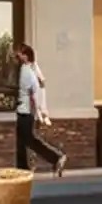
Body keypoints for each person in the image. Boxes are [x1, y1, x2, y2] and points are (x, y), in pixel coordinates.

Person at [15, 44, 66, 176]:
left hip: (26, 111)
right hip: (24, 110)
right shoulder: (29, 68)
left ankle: (56, 157)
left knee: (29, 139)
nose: (18, 55)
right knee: (22, 140)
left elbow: (35, 91)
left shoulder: (28, 71)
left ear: (25, 56)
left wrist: (38, 112)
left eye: (20, 53)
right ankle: (22, 169)